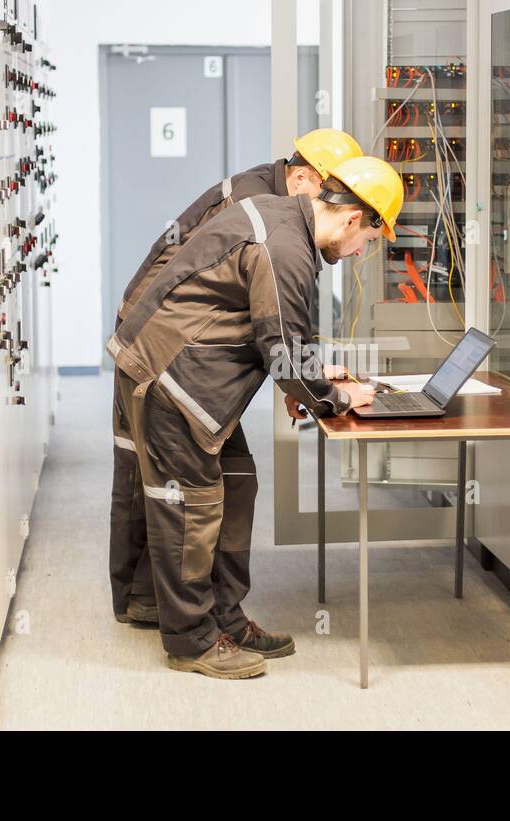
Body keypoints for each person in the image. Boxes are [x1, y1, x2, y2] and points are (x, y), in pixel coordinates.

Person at [106, 156, 403, 678]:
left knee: (237, 483)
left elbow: (281, 330)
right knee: (191, 506)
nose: (361, 254)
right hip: (173, 376)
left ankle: (224, 615)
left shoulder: (284, 219)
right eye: (370, 243)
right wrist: (334, 397)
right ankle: (192, 642)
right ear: (354, 219)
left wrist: (311, 378)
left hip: (197, 375)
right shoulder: (285, 245)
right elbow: (283, 348)